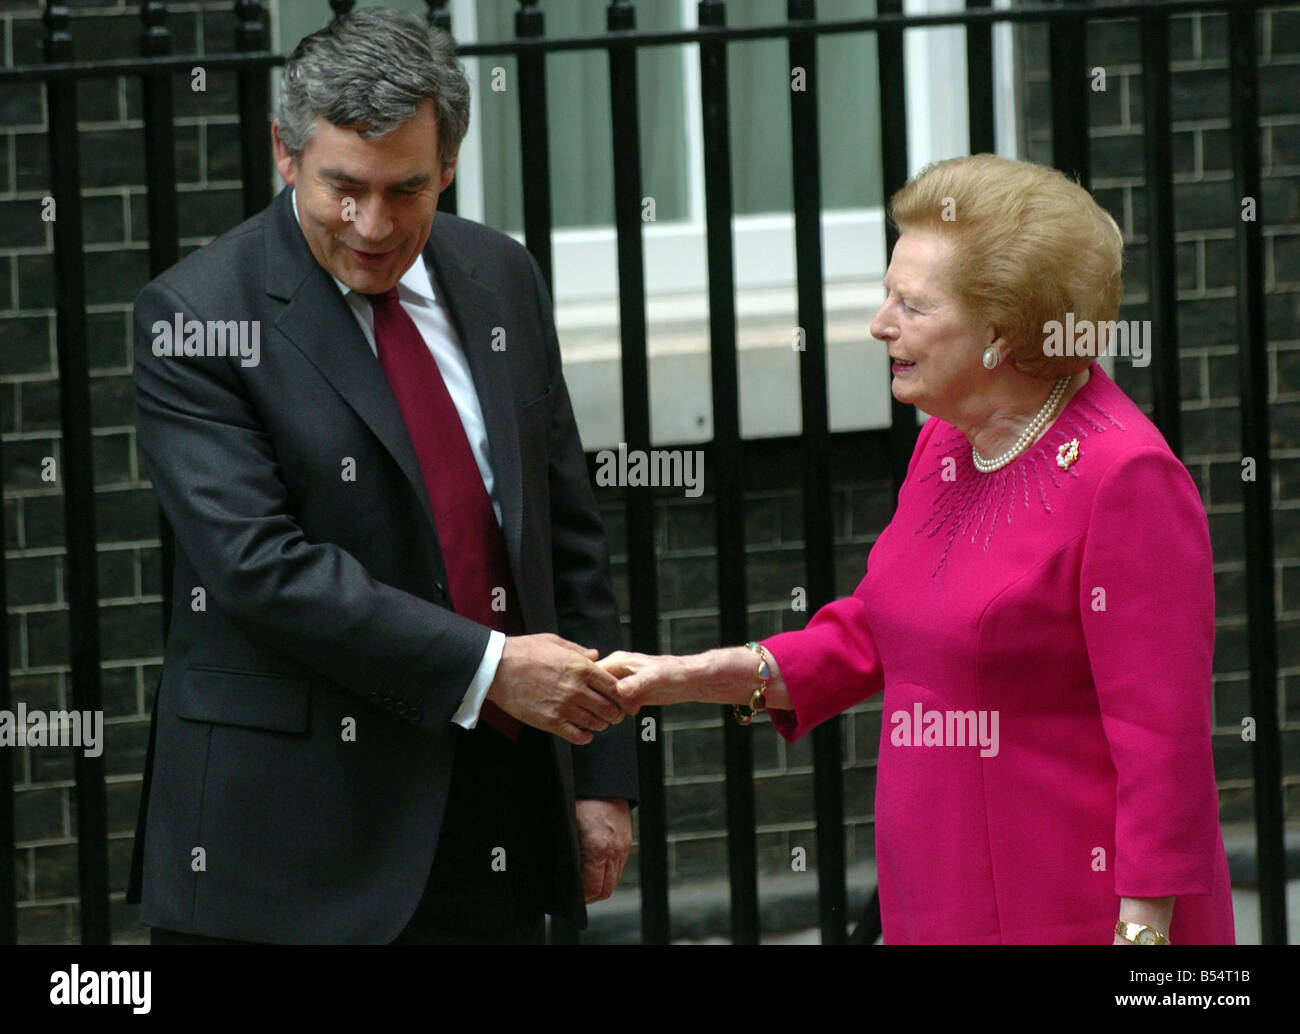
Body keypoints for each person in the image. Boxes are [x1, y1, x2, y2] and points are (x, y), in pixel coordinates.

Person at [601, 154, 1235, 945]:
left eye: (912, 303)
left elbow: (1162, 744)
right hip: (935, 894)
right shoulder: (946, 441)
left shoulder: (1124, 477)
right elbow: (881, 626)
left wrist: (1144, 937)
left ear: (1001, 331)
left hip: (1066, 906)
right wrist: (696, 677)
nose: (880, 324)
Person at [128, 8, 636, 945]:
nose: (373, 225)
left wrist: (600, 773)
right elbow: (258, 566)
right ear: (285, 153)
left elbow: (566, 534)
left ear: (448, 164)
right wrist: (490, 670)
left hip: (493, 823)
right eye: (343, 188)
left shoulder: (500, 275)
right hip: (289, 851)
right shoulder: (196, 316)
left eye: (406, 189)